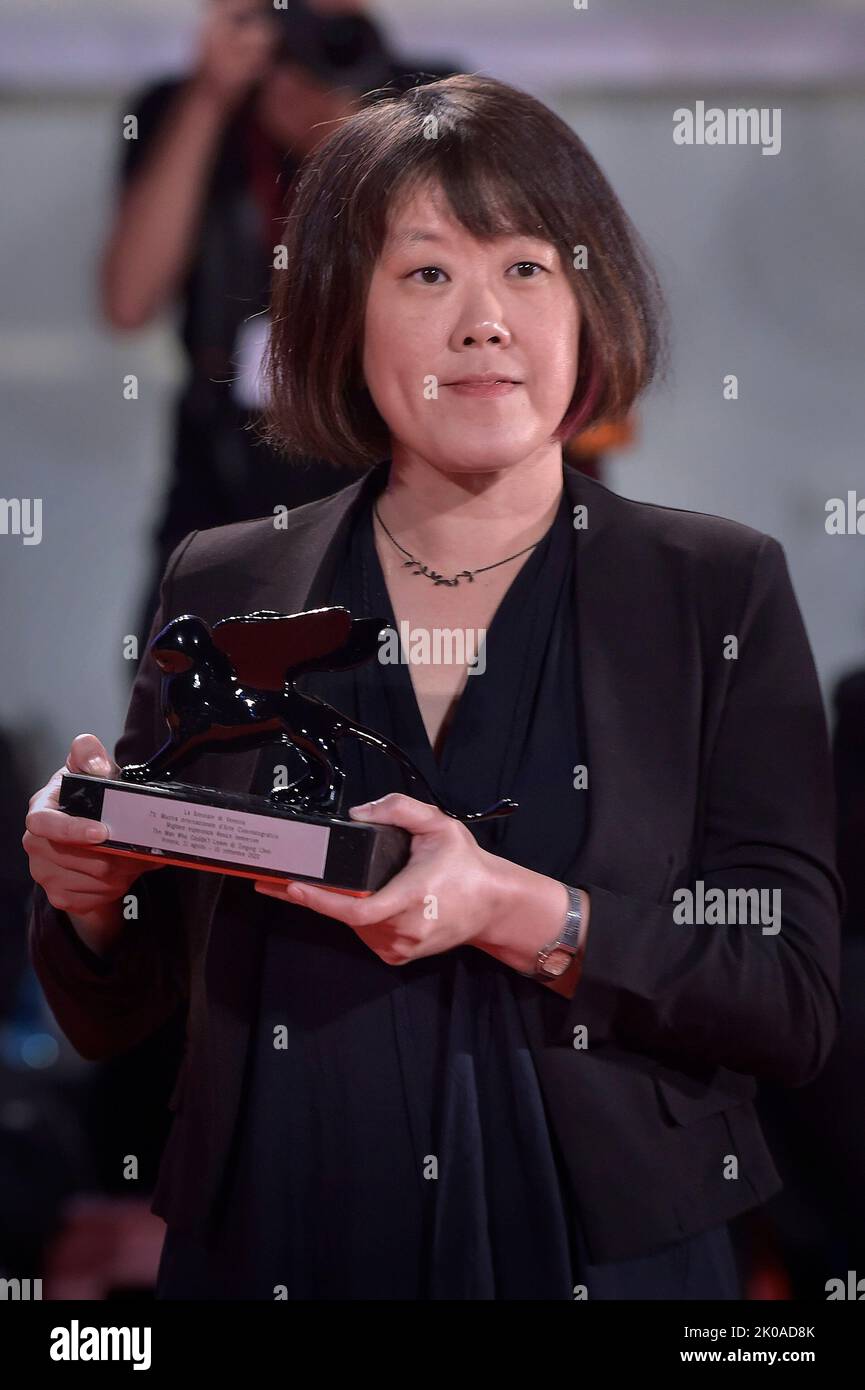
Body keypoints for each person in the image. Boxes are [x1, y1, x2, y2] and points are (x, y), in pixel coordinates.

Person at [25, 74, 842, 1300]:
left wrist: (519, 908)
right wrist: (90, 897)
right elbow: (125, 1006)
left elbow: (785, 989)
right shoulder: (227, 576)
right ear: (339, 317)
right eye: (424, 274)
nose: (484, 322)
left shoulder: (710, 590)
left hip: (605, 1243)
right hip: (277, 1229)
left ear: (591, 305)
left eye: (526, 267)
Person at [100, 0, 458, 643]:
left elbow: (445, 281)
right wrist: (210, 101)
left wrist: (344, 150)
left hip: (389, 450)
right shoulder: (178, 108)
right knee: (191, 687)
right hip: (225, 462)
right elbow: (129, 300)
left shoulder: (428, 97)